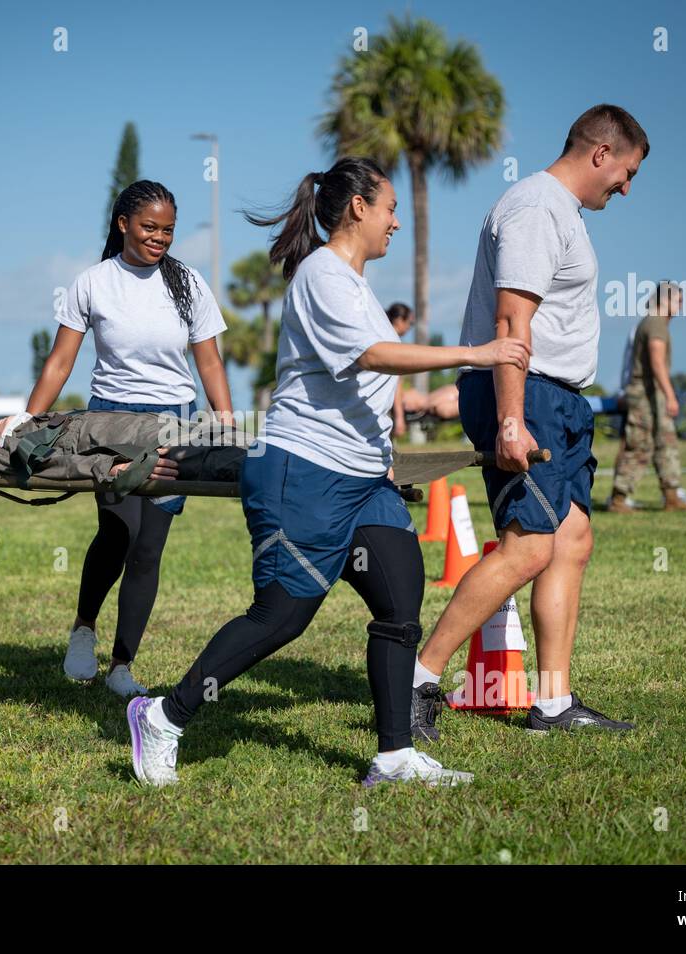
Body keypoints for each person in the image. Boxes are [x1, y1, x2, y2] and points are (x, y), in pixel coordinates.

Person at [125, 157, 530, 788]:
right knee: (282, 616)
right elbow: (372, 356)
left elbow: (365, 381)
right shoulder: (321, 275)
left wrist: (384, 452)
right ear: (359, 208)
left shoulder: (358, 285)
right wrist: (477, 354)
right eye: (391, 208)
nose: (397, 222)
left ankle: (394, 756)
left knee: (400, 601)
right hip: (303, 473)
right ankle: (164, 716)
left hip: (365, 481)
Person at [411, 105, 648, 744]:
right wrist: (512, 421)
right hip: (525, 394)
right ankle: (417, 678)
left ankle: (552, 702)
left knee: (569, 541)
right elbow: (511, 324)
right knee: (529, 546)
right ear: (601, 153)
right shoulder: (537, 208)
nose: (625, 189)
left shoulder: (561, 214)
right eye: (625, 173)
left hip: (561, 398)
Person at [0, 180, 233, 696]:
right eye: (149, 227)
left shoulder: (189, 284)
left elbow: (208, 359)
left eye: (168, 230)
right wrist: (28, 421)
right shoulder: (92, 282)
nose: (159, 237)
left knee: (149, 548)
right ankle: (83, 629)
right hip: (110, 427)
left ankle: (122, 666)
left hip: (173, 428)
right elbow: (60, 360)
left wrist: (225, 420)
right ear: (123, 224)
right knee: (118, 534)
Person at [608, 281, 686, 511]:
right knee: (639, 445)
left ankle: (671, 494)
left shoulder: (653, 322)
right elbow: (657, 363)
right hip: (645, 396)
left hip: (650, 395)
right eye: (678, 301)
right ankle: (619, 498)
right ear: (665, 300)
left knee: (665, 443)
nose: (680, 307)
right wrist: (671, 395)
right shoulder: (656, 324)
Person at [386, 303, 460, 436]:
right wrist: (399, 418)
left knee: (452, 392)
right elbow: (396, 384)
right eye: (410, 322)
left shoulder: (386, 341)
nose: (410, 327)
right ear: (398, 320)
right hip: (406, 402)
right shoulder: (390, 343)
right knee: (449, 398)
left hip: (414, 400)